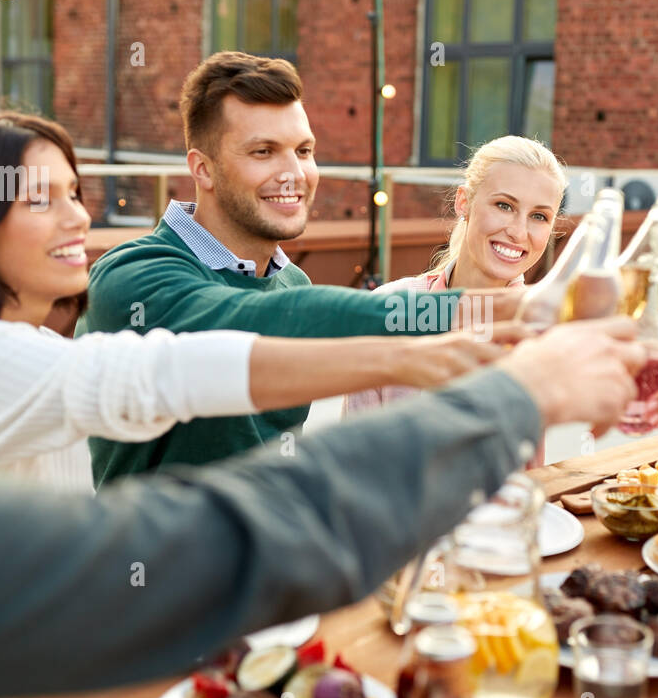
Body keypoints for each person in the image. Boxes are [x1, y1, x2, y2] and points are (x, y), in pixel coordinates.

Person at [0, 0, 645, 698]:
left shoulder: (8, 348)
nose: (81, 220)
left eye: (303, 149)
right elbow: (190, 375)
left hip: (141, 660)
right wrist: (482, 351)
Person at [0, 110, 507, 492]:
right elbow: (168, 372)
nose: (78, 218)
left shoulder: (38, 347)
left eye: (75, 193)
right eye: (41, 199)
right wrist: (432, 339)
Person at [79, 50, 525, 486]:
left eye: (304, 150)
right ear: (204, 169)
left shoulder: (292, 281)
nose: (294, 172)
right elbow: (248, 322)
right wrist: (485, 311)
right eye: (263, 152)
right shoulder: (132, 275)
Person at [344, 135, 565, 416]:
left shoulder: (544, 333)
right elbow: (357, 451)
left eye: (539, 216)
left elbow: (530, 458)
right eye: (504, 206)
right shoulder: (389, 308)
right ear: (464, 202)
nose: (519, 233)